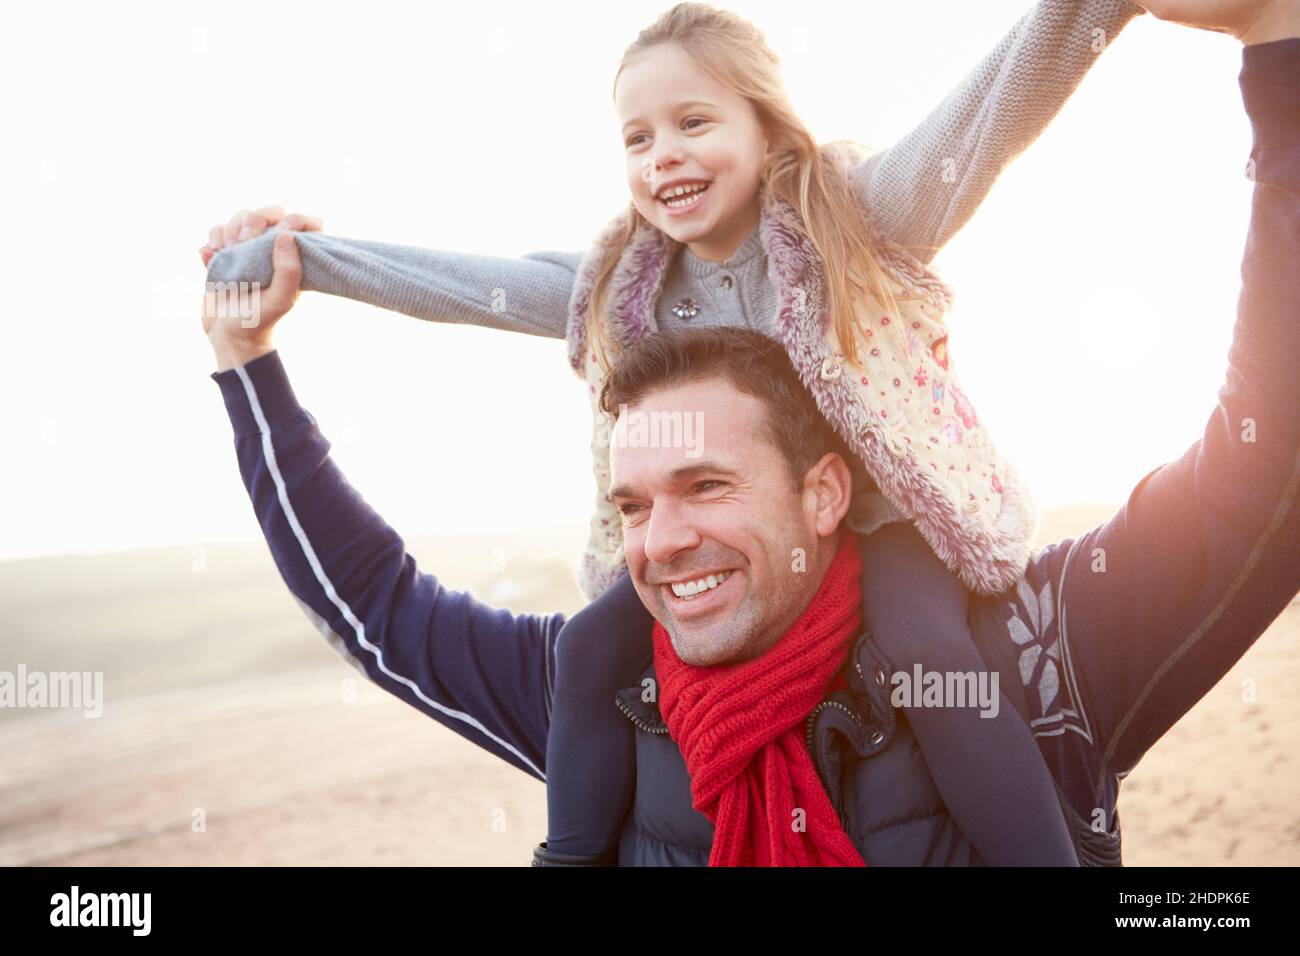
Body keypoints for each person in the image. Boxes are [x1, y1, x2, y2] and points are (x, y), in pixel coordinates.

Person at [202, 0, 1300, 863]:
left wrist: (1129, 10)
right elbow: (474, 289)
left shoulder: (854, 220)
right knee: (588, 644)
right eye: (636, 136)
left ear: (767, 124)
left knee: (931, 654)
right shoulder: (619, 288)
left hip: (897, 529)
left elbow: (993, 109)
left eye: (693, 122)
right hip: (745, 590)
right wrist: (309, 269)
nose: (662, 156)